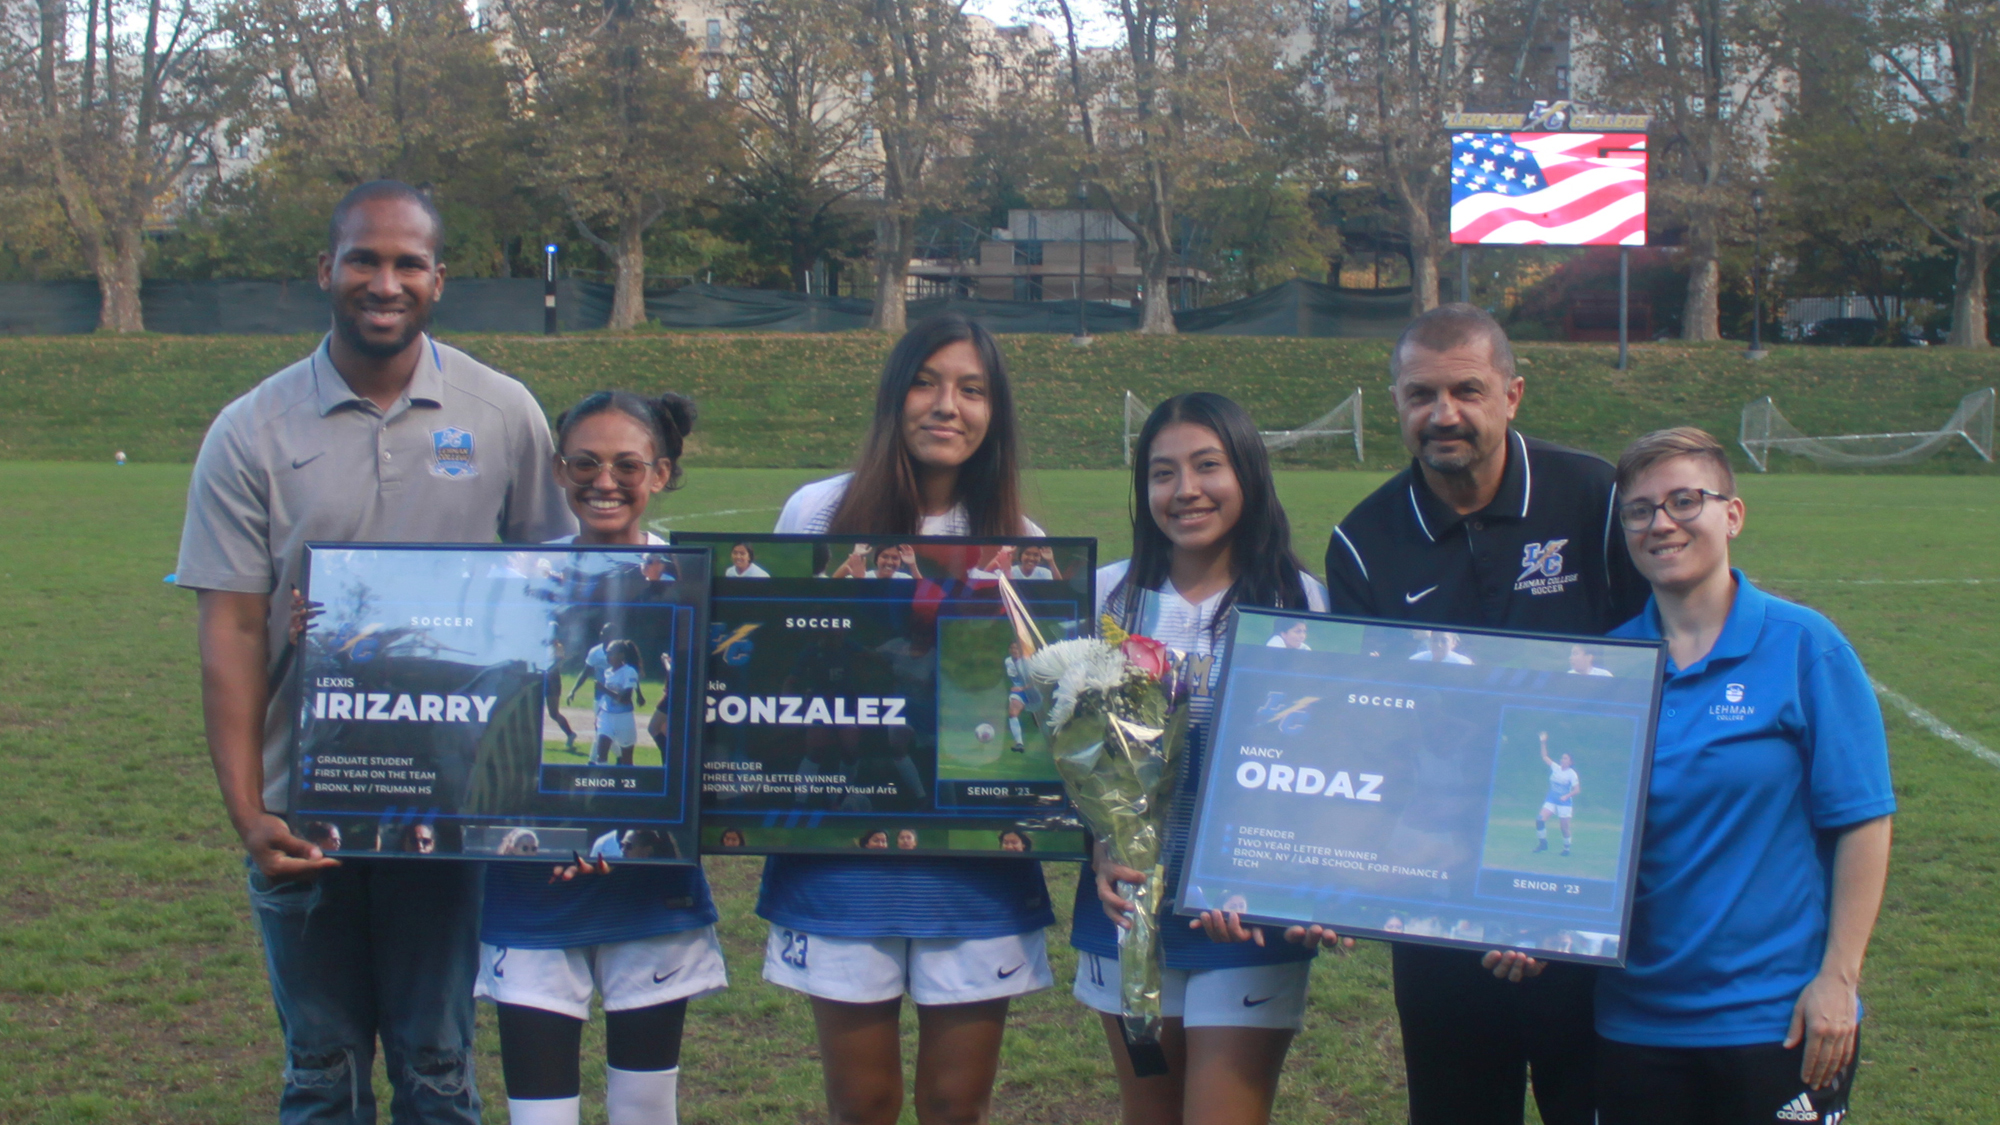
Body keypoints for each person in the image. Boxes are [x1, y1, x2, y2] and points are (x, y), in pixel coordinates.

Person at [176, 180, 574, 1124]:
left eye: (407, 263)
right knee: (322, 1072)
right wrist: (248, 810)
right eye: (364, 258)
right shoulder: (252, 428)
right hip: (299, 805)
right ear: (327, 269)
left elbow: (559, 599)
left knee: (437, 1066)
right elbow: (230, 628)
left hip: (454, 795)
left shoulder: (503, 410)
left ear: (440, 279)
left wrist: (555, 793)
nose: (383, 281)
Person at [1314, 303, 1648, 1125]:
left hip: (1579, 881)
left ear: (1513, 394)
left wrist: (1561, 895)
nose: (1443, 414)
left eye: (1467, 390)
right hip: (1438, 891)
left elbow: (1649, 673)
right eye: (1420, 394)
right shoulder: (1363, 540)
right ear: (1395, 401)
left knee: (1598, 1105)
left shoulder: (1593, 496)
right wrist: (1327, 861)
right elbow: (1368, 729)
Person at [762, 312, 1054, 1125]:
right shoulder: (817, 514)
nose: (945, 405)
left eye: (970, 388)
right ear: (895, 396)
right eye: (926, 381)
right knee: (863, 1103)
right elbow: (781, 662)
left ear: (994, 413)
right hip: (840, 850)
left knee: (956, 1105)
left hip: (972, 861)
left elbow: (1030, 696)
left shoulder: (1020, 543)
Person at [1564, 427, 1891, 1123]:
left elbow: (1863, 819)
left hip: (1776, 1019)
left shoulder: (1806, 645)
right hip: (1635, 1023)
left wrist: (1839, 977)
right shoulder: (1602, 668)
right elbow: (1572, 832)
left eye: (1686, 500)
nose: (1662, 523)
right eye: (1641, 510)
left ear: (1732, 514)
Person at [476, 387, 727, 1125]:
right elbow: (492, 717)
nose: (604, 480)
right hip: (533, 883)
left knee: (646, 1109)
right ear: (558, 469)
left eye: (627, 464)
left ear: (663, 473)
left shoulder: (695, 579)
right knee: (539, 1114)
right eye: (584, 462)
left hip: (649, 882)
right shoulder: (515, 578)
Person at [1076, 392, 1328, 1125]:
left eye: (1207, 466)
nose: (1184, 490)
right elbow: (1071, 757)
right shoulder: (1105, 599)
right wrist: (1099, 848)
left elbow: (1328, 767)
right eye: (1162, 472)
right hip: (1128, 911)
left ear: (1247, 473)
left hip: (1247, 916)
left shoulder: (1304, 603)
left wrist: (1294, 880)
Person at [592, 640, 644, 767]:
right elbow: (607, 697)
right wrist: (599, 713)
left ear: (621, 655)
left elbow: (625, 698)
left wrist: (603, 689)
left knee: (626, 759)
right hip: (606, 716)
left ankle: (626, 783)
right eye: (607, 653)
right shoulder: (608, 672)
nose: (608, 656)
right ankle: (603, 784)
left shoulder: (629, 671)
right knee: (601, 755)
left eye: (611, 653)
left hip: (623, 717)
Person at [1535, 732, 1580, 857]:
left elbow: (1577, 790)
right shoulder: (1556, 767)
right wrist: (1543, 742)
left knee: (1564, 828)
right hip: (1552, 800)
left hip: (1564, 803)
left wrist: (1566, 796)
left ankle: (1566, 849)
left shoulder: (1572, 774)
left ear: (1570, 762)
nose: (1562, 760)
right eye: (1562, 758)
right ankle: (1543, 844)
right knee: (1539, 820)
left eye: (1565, 758)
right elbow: (1544, 756)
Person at [1002, 639, 1037, 754]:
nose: (1014, 650)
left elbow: (1036, 680)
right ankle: (1019, 743)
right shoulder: (1008, 661)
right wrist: (1019, 688)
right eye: (1012, 648)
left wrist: (1023, 688)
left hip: (1033, 691)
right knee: (1012, 713)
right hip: (1019, 691)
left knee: (1040, 721)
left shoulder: (1027, 662)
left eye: (1017, 648)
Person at [545, 640, 580, 754]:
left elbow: (558, 663)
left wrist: (547, 671)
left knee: (553, 712)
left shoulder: (558, 647)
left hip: (552, 681)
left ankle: (570, 734)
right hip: (542, 679)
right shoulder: (541, 645)